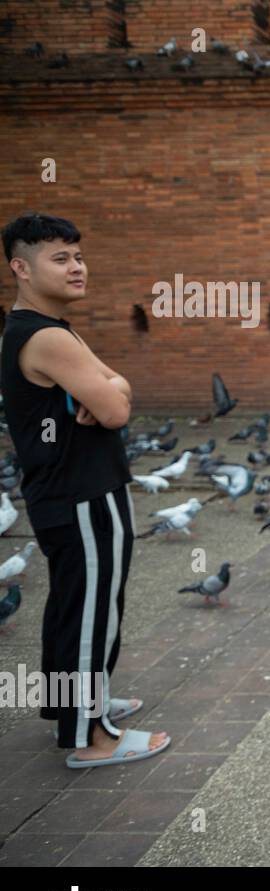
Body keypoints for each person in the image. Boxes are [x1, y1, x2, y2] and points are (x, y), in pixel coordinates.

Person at [1, 213, 169, 769]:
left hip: (70, 495)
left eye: (78, 256)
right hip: (81, 496)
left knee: (77, 606)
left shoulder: (45, 328)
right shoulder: (46, 335)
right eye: (59, 258)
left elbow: (111, 387)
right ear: (20, 268)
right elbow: (118, 405)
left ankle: (76, 709)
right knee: (90, 612)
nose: (76, 267)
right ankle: (91, 737)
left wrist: (104, 392)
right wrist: (104, 395)